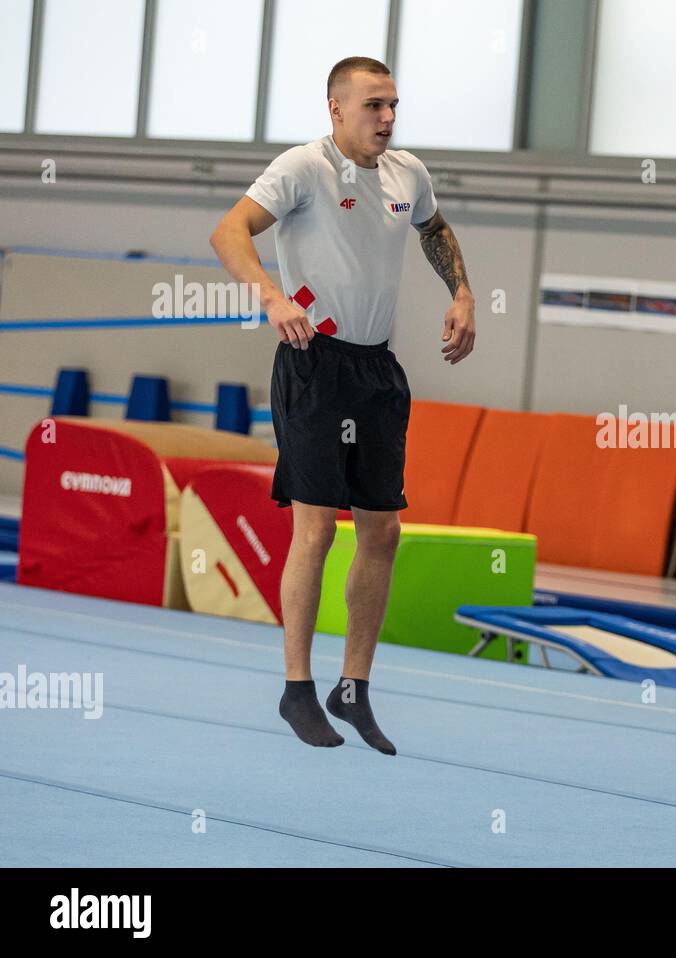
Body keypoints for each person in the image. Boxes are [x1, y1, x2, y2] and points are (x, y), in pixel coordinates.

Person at [210, 56, 476, 754]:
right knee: (317, 529)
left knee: (382, 531)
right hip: (313, 366)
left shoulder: (407, 173)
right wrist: (269, 294)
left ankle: (352, 686)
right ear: (335, 108)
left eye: (393, 105)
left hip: (376, 370)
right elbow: (229, 231)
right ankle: (297, 688)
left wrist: (462, 292)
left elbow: (434, 228)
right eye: (372, 107)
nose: (386, 118)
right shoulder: (303, 167)